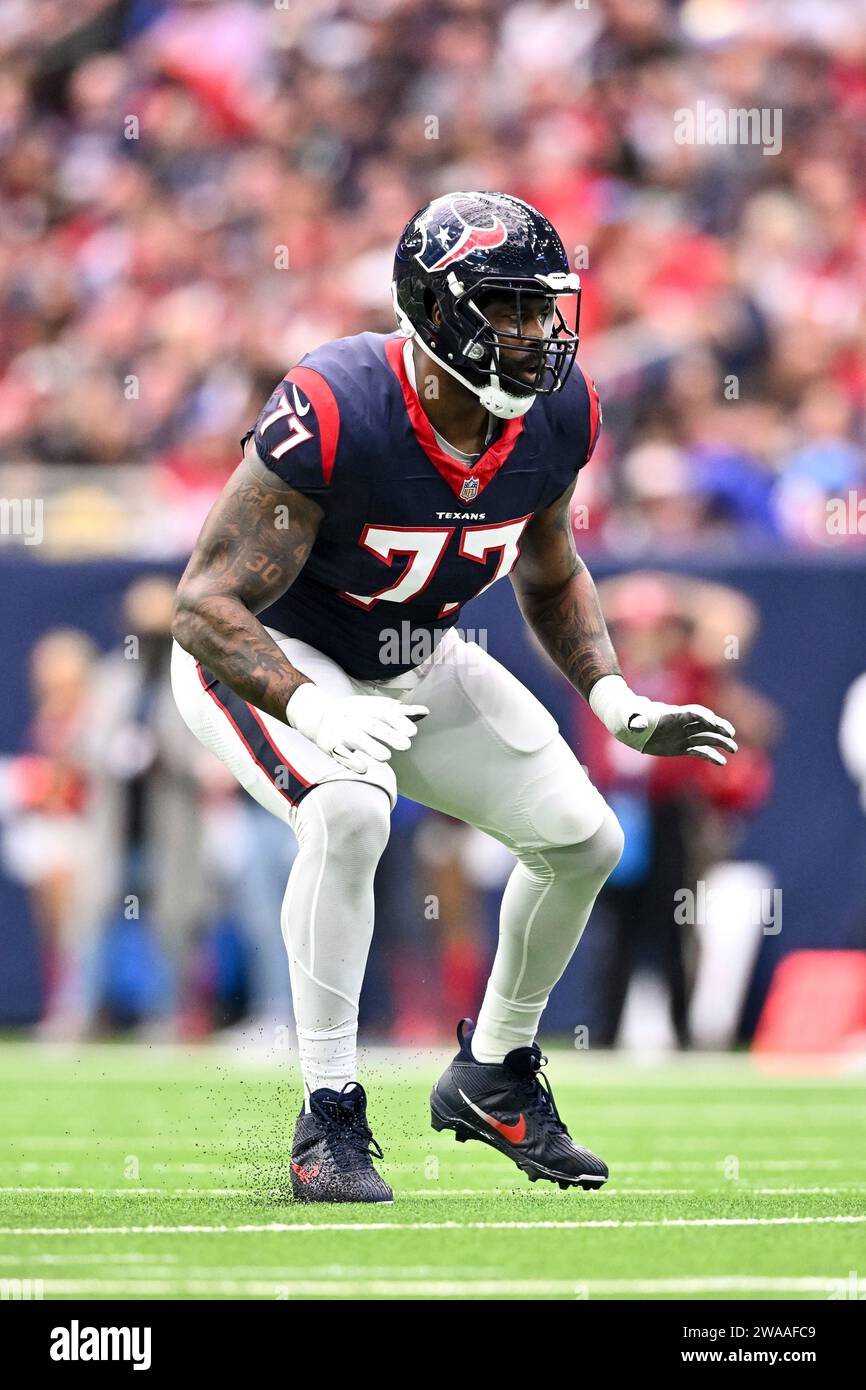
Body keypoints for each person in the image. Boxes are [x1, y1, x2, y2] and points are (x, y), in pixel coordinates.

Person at [170, 191, 737, 1203]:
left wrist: (610, 696)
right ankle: (327, 1113)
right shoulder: (340, 401)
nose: (535, 334)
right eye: (506, 307)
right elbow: (205, 601)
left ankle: (494, 1074)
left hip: (409, 657)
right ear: (433, 312)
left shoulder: (559, 414)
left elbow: (551, 570)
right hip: (267, 653)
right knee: (347, 809)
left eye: (542, 307)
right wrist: (307, 704)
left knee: (583, 840)